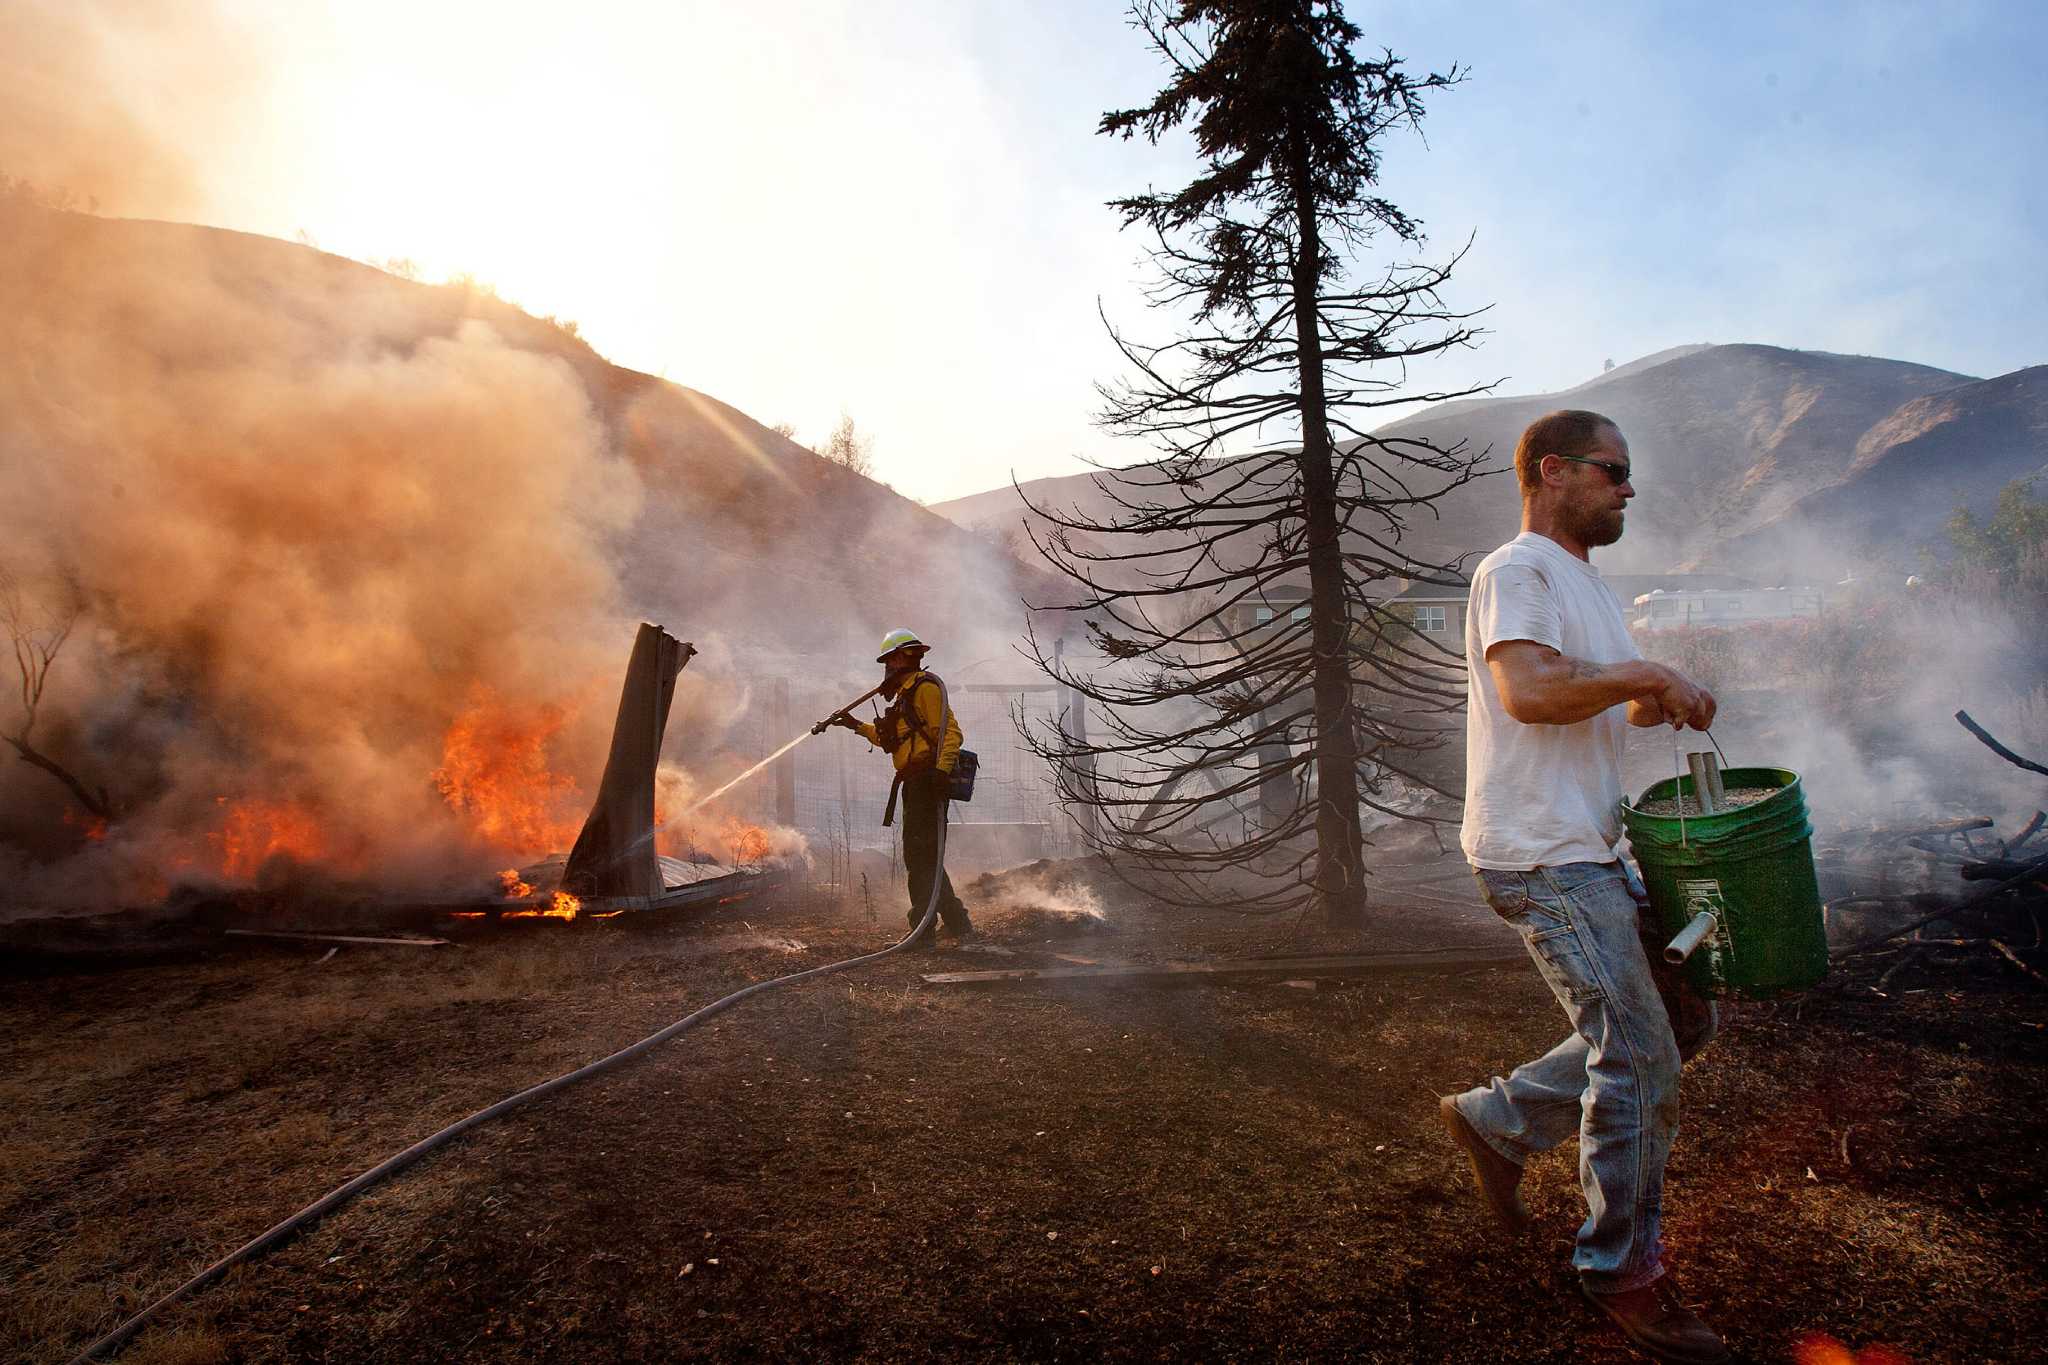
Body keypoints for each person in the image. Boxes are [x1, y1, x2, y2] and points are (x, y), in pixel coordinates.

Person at [1442, 410, 1728, 1364]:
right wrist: (1640, 670)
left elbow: (1592, 698)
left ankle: (1501, 1117)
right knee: (1641, 1056)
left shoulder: (1585, 587)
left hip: (1585, 847)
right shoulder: (1516, 569)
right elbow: (1528, 692)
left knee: (1683, 1020)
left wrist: (1659, 693)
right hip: (1540, 853)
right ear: (1553, 470)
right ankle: (1622, 1271)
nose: (1628, 487)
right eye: (1614, 470)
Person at [827, 628, 974, 945]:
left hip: (927, 782)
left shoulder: (926, 689)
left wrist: (940, 771)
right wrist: (854, 725)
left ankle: (921, 933)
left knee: (919, 859)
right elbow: (890, 740)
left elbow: (951, 735)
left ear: (901, 657)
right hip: (913, 781)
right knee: (926, 858)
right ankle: (959, 924)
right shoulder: (907, 694)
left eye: (889, 661)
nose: (887, 669)